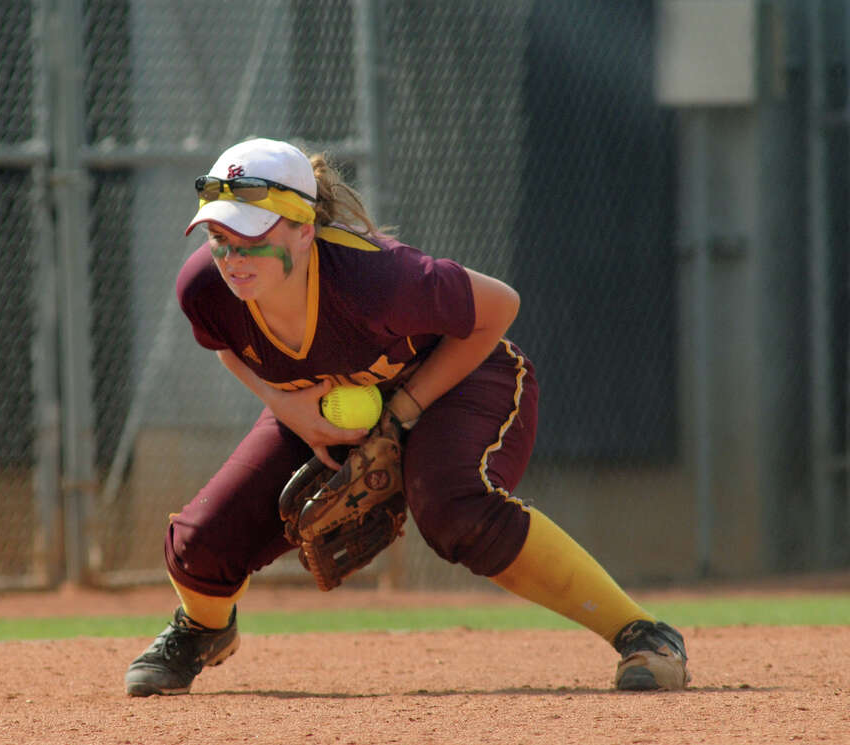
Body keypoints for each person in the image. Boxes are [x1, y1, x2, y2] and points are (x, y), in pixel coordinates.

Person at [123, 137, 690, 696]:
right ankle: (202, 629)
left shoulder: (376, 280)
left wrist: (404, 411)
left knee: (452, 508)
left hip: (462, 379)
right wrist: (285, 405)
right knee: (200, 543)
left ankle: (643, 633)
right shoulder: (206, 288)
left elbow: (500, 306)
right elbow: (225, 344)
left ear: (304, 230)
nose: (233, 257)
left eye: (252, 236)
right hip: (330, 405)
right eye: (220, 237)